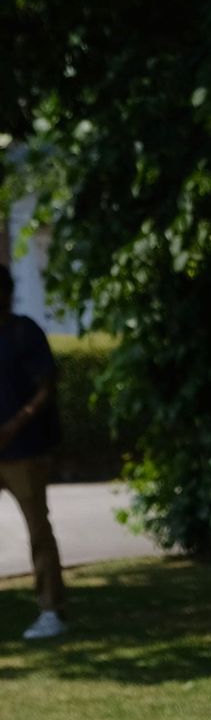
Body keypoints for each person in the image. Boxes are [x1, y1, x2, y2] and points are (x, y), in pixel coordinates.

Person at [0, 263, 67, 643]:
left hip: (24, 451)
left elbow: (46, 387)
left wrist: (16, 423)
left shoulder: (24, 333)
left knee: (38, 531)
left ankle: (51, 608)